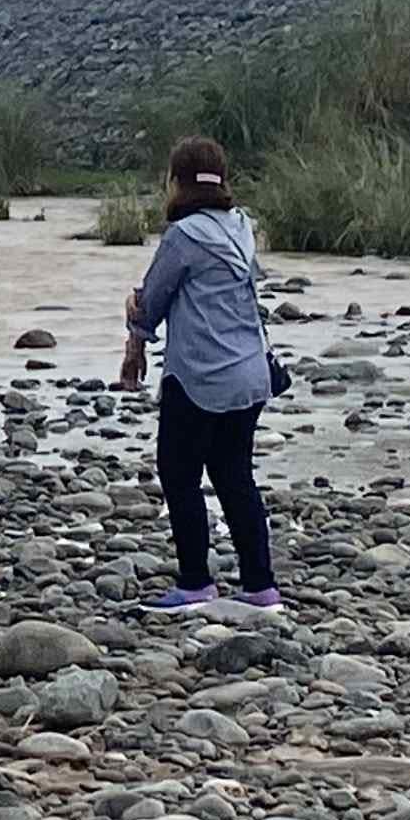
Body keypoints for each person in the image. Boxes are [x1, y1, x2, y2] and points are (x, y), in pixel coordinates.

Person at [121, 136, 281, 613]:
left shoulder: (183, 237)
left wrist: (134, 328)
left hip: (198, 376)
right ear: (223, 180)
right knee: (235, 476)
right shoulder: (243, 227)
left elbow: (152, 301)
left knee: (179, 474)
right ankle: (260, 585)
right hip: (250, 373)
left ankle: (195, 582)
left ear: (175, 181)